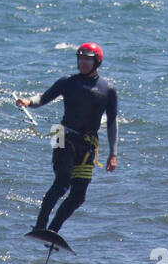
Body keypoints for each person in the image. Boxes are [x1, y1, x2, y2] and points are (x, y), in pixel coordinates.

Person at [15, 42, 117, 234]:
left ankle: (53, 231)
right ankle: (40, 225)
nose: (83, 62)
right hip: (62, 135)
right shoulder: (67, 82)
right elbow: (43, 98)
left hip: (88, 145)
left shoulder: (107, 90)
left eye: (87, 59)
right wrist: (29, 102)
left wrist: (113, 153)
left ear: (97, 62)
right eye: (80, 58)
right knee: (62, 181)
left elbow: (112, 122)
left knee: (78, 195)